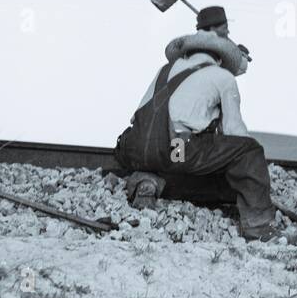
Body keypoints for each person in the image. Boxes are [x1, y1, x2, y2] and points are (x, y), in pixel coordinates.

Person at [109, 24, 277, 241]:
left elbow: (138, 116)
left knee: (174, 157)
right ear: (219, 59)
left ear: (186, 53)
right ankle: (259, 226)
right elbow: (234, 132)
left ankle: (146, 179)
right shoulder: (223, 77)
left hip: (133, 148)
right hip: (176, 149)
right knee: (248, 152)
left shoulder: (164, 70)